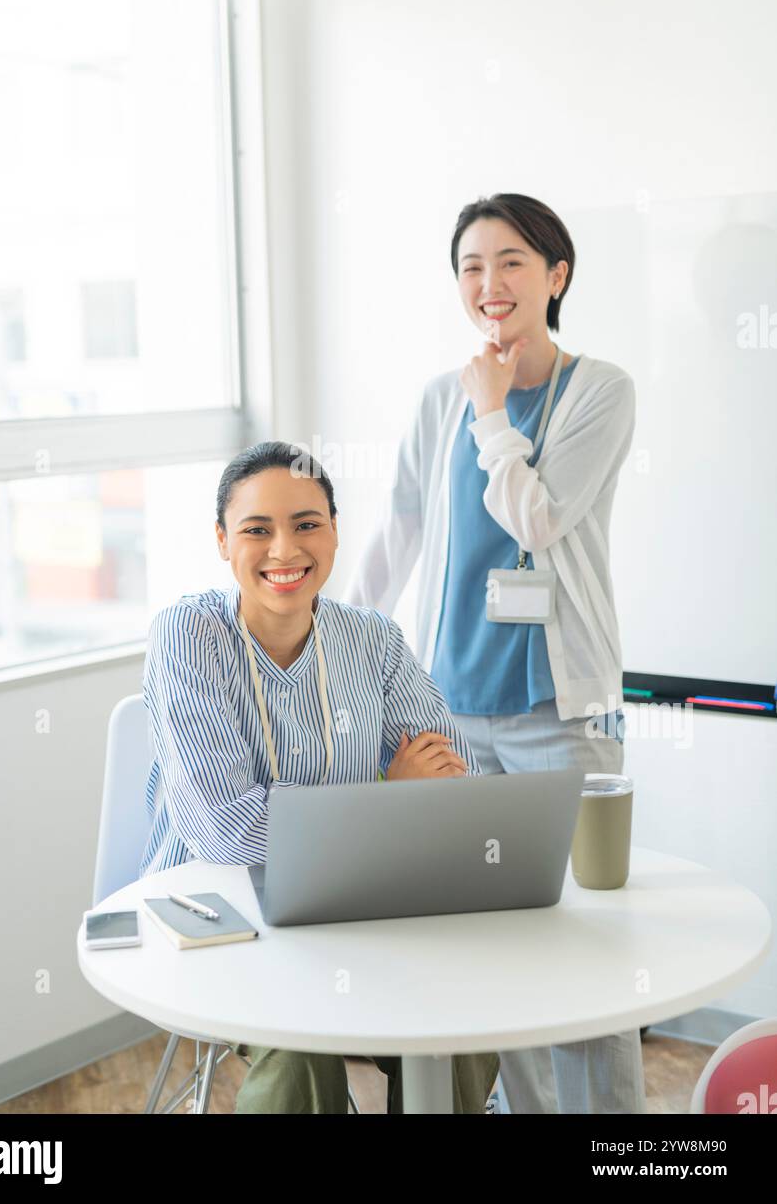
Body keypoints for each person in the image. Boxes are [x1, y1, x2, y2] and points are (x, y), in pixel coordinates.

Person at [344, 192, 645, 1114]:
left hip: (564, 718)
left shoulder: (600, 389)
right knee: (496, 950)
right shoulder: (441, 396)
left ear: (556, 275)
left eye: (511, 261)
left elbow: (540, 518)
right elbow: (397, 528)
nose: (489, 283)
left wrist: (491, 411)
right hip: (456, 718)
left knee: (590, 951)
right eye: (472, 266)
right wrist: (345, 642)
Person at [139, 440, 500, 1114]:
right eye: (256, 529)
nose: (284, 549)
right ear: (222, 541)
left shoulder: (372, 639)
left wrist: (368, 811)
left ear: (334, 532)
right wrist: (387, 792)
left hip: (357, 909)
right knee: (300, 1038)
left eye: (307, 524)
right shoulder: (186, 636)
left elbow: (452, 779)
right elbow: (224, 831)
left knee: (464, 1023)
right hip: (223, 916)